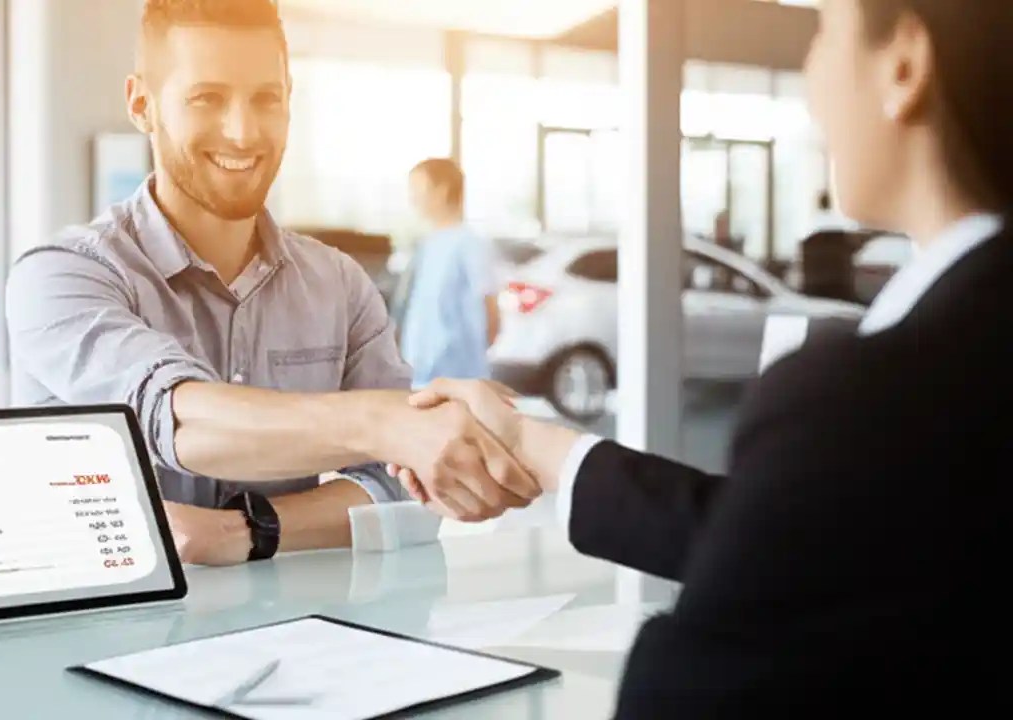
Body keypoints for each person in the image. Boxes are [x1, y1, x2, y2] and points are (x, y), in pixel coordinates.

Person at [393, 0, 1010, 714]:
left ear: (904, 65)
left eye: (825, 30)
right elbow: (796, 542)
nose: (811, 74)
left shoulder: (869, 397)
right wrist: (536, 445)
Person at [5, 0, 537, 567]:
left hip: (296, 635)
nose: (242, 132)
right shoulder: (63, 276)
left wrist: (244, 531)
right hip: (97, 635)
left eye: (266, 98)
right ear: (142, 104)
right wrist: (391, 424)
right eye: (207, 98)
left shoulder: (339, 285)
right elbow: (177, 420)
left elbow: (404, 493)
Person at [398, 158, 501, 388]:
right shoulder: (428, 244)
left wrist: (471, 356)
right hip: (421, 376)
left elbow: (490, 309)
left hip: (458, 378)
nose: (412, 199)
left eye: (417, 189)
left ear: (441, 191)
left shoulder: (470, 243)